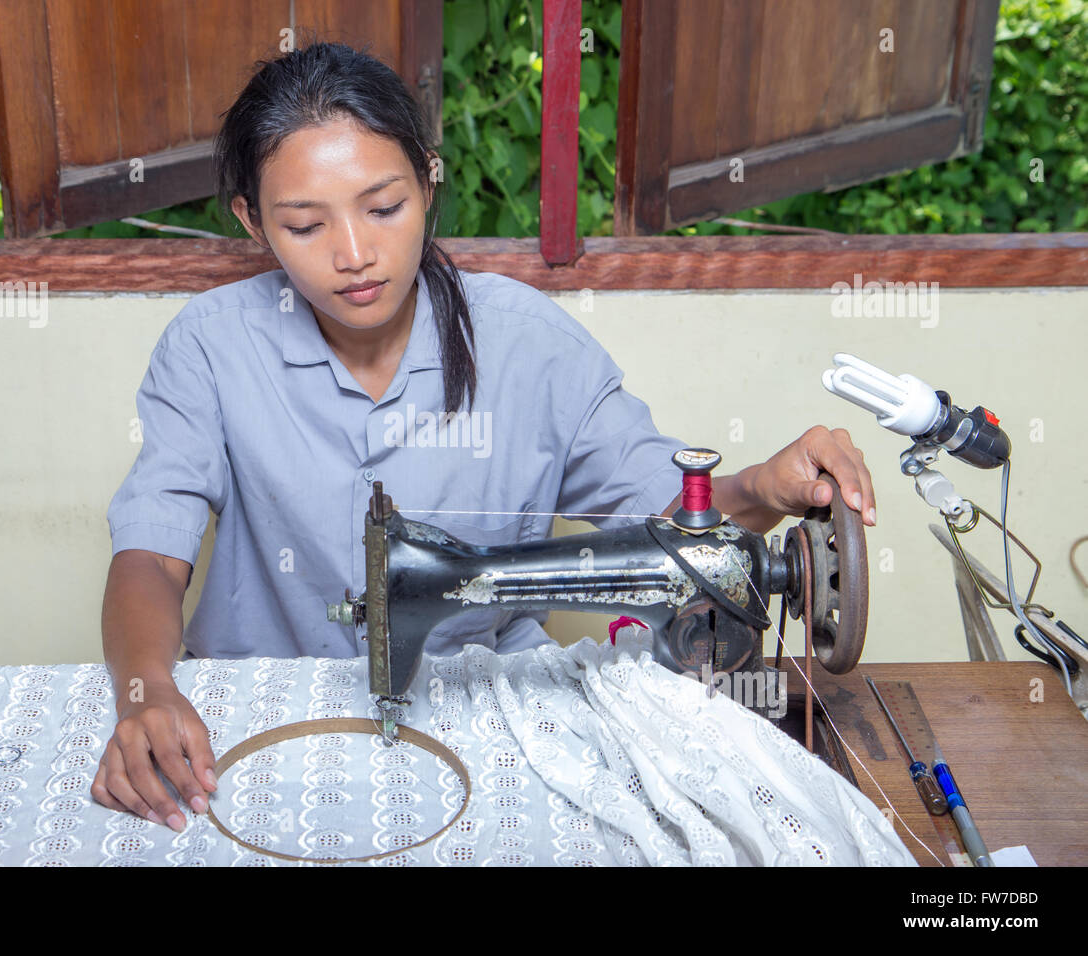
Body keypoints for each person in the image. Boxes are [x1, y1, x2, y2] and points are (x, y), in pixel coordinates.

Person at [91, 42, 878, 833]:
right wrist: (148, 691)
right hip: (257, 711)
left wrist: (761, 489)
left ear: (429, 181)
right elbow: (153, 555)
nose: (354, 254)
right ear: (252, 221)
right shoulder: (211, 347)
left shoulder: (526, 342)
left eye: (384, 208)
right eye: (304, 224)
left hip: (489, 704)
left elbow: (673, 526)